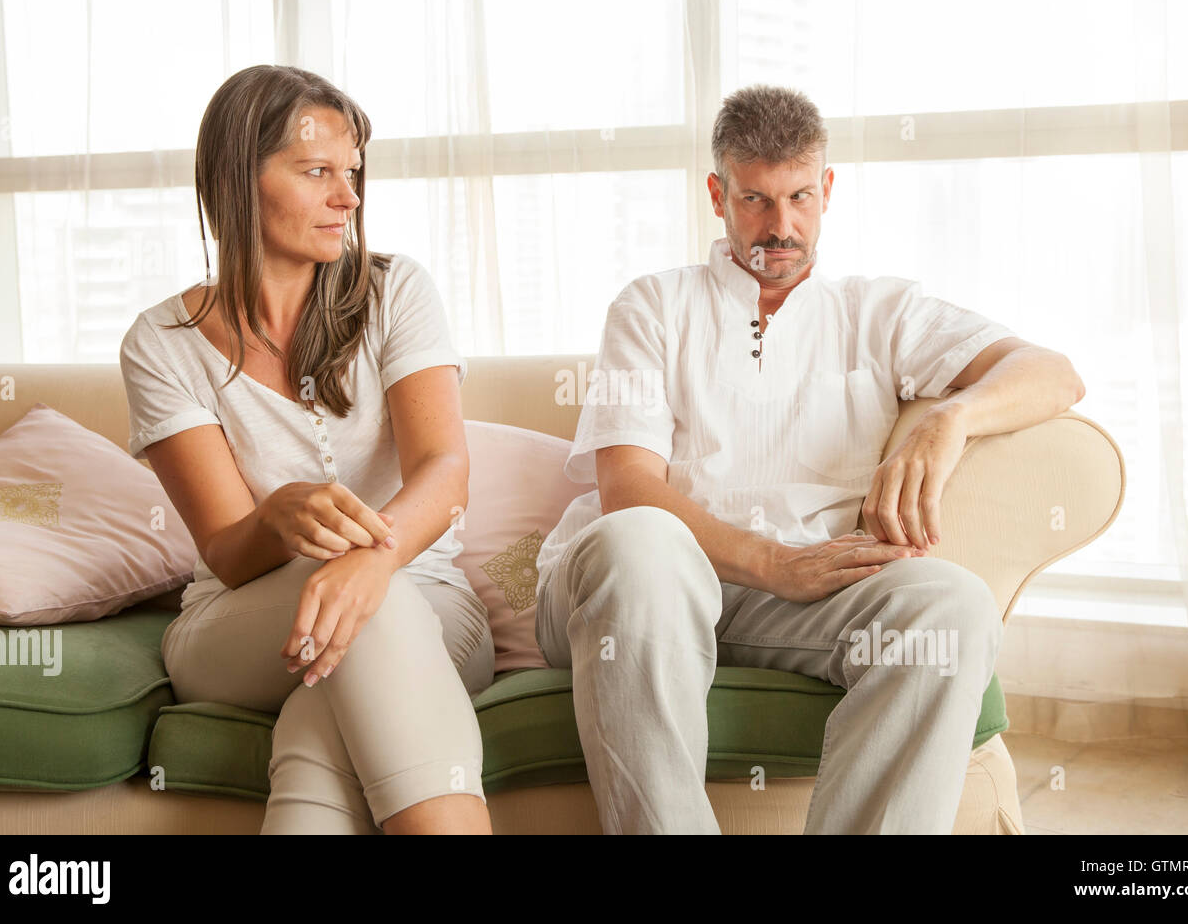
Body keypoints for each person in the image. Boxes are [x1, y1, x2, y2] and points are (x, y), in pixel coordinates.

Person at [534, 84, 1087, 834]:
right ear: (716, 194)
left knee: (951, 607)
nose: (780, 226)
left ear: (826, 190)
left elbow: (1053, 373)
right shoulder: (651, 306)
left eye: (799, 196)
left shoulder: (878, 311)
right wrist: (769, 560)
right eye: (756, 200)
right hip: (637, 589)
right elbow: (629, 487)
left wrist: (950, 419)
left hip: (805, 596)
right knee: (639, 543)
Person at [119, 65, 492, 835]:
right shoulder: (161, 344)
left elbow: (444, 471)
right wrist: (280, 515)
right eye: (317, 171)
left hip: (426, 599)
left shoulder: (398, 291)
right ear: (235, 179)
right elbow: (227, 549)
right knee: (364, 614)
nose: (348, 198)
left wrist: (374, 560)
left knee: (325, 712)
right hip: (241, 622)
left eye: (351, 174)